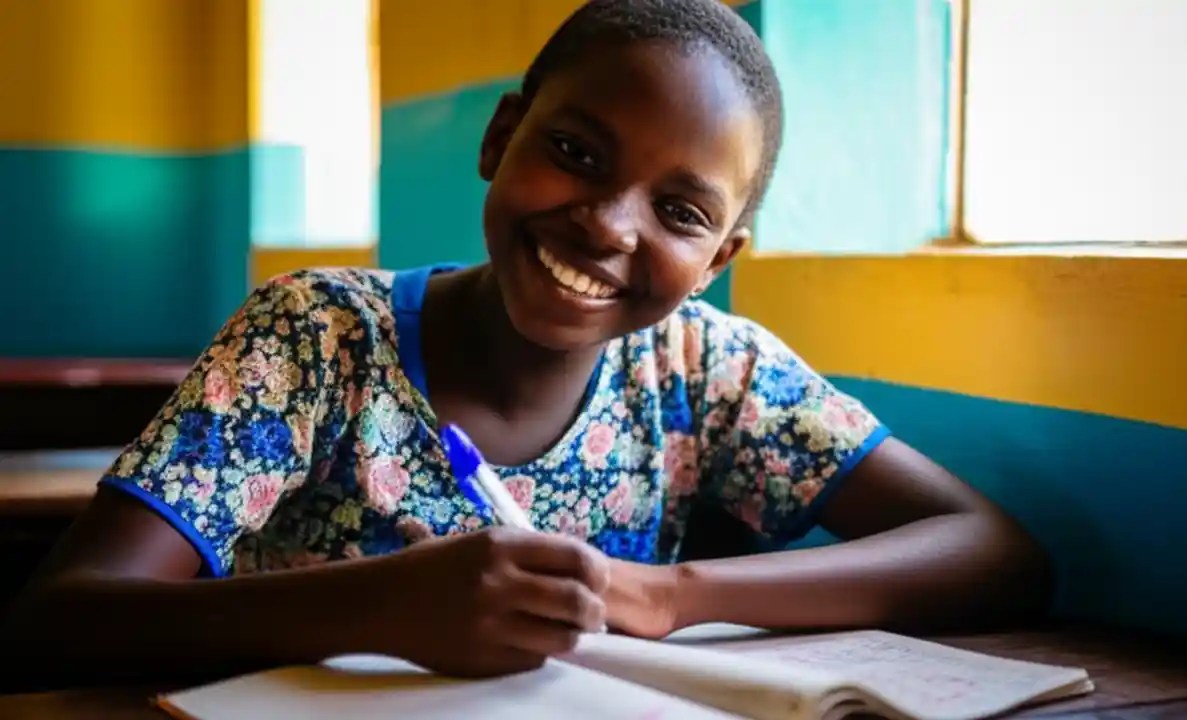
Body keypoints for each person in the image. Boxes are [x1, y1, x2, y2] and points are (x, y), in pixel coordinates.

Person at [2, 0, 1049, 684]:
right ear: (501, 138)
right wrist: (377, 609)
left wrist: (664, 596)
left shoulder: (705, 369)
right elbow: (57, 623)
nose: (608, 225)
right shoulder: (315, 338)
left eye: (680, 213)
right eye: (576, 153)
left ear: (717, 259)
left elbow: (990, 552)